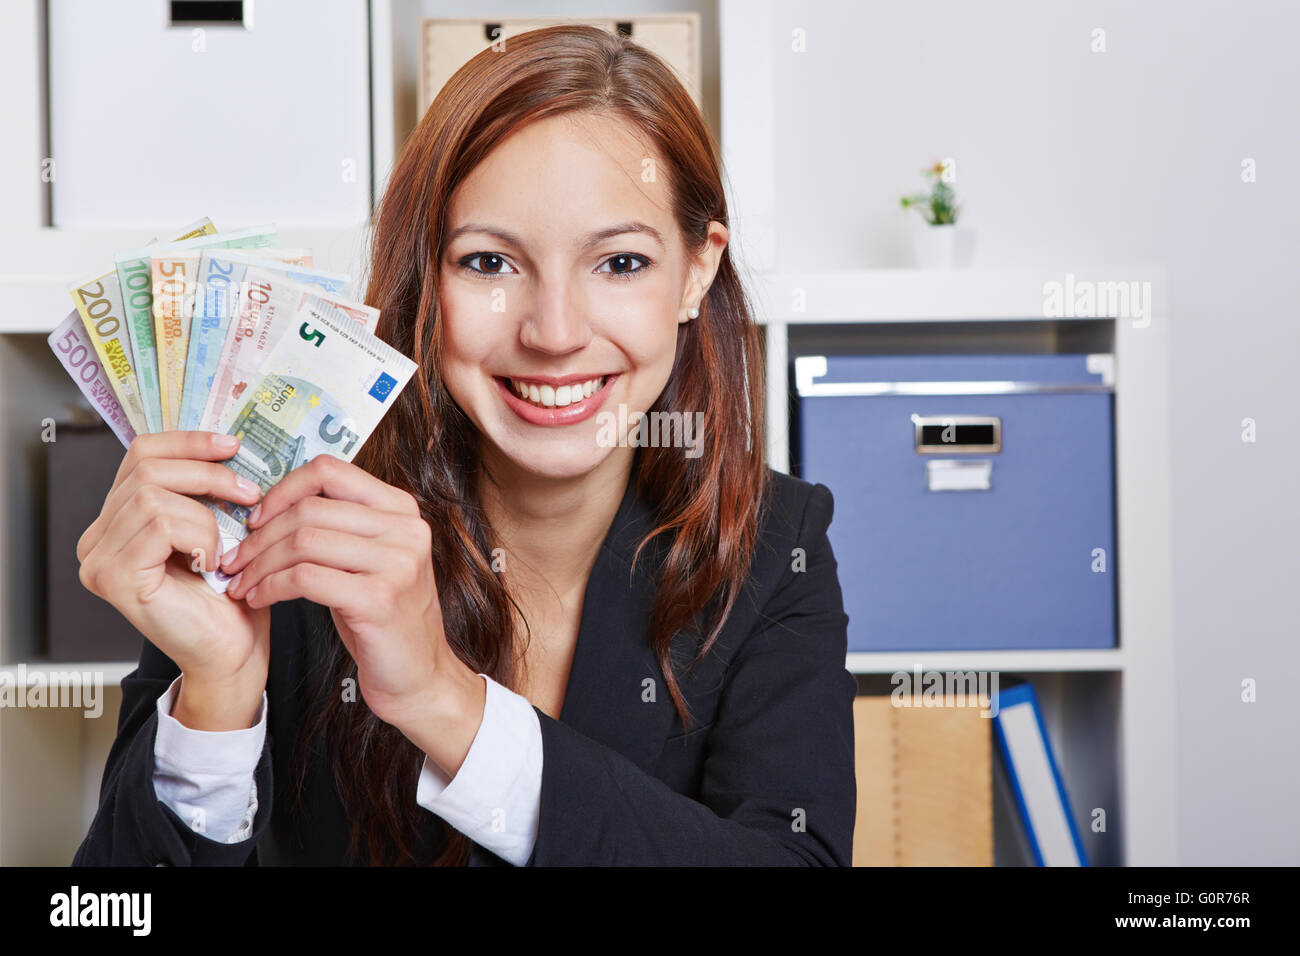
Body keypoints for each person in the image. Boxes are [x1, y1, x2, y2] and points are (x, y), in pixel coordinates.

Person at [72, 24, 856, 866]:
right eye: (488, 263)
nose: (554, 333)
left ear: (698, 273)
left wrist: (446, 702)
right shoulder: (279, 518)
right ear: (425, 280)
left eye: (620, 264)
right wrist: (219, 693)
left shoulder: (778, 544)